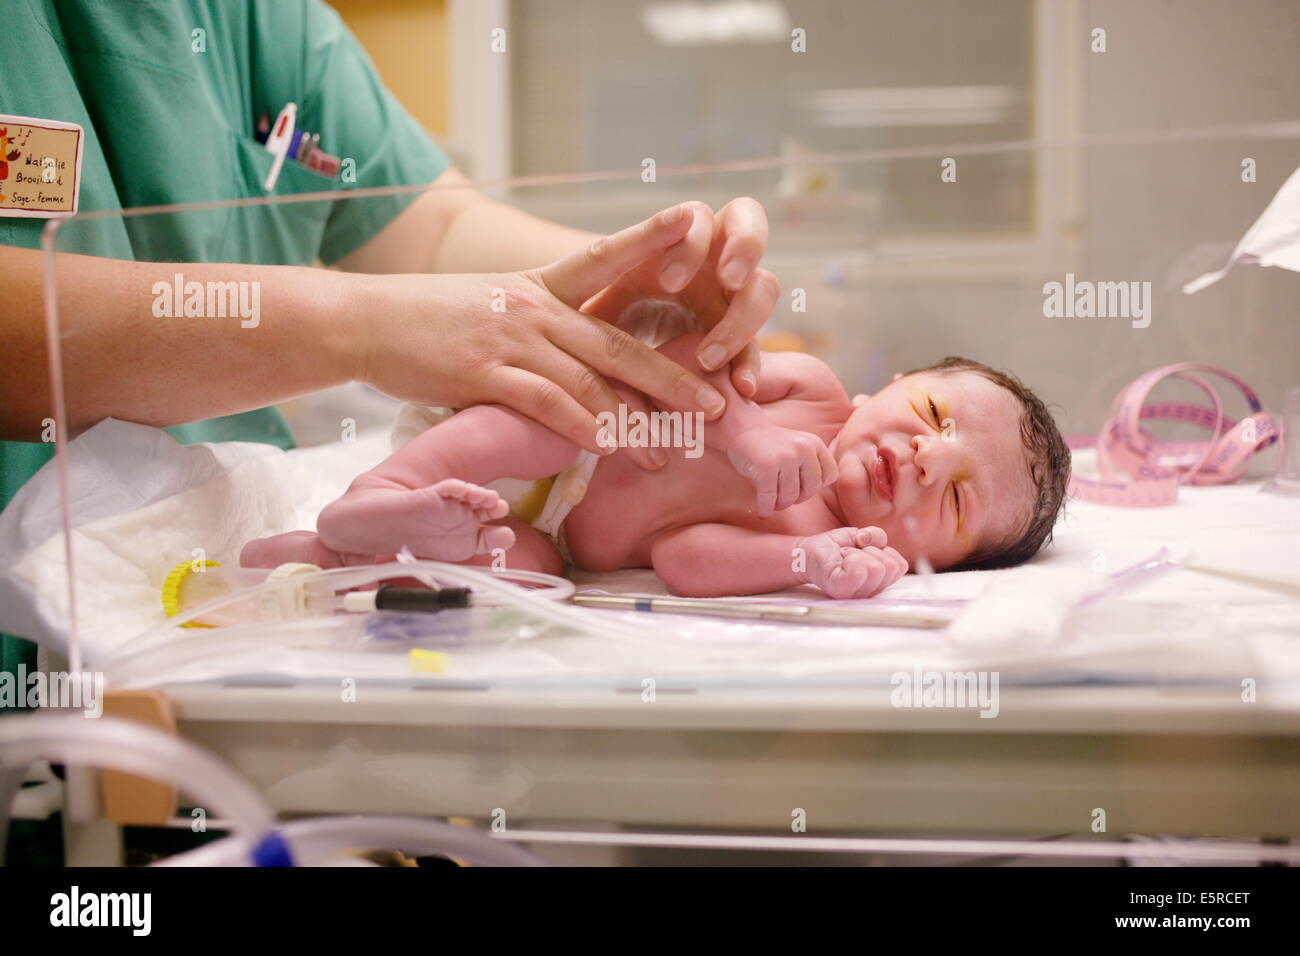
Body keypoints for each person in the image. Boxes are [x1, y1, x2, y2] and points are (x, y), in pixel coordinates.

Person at [0, 1, 775, 700]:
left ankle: (361, 538)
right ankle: (379, 498)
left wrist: (629, 285)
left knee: (513, 557)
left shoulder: (263, 24)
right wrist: (361, 326)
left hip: (238, 571)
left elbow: (431, 231)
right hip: (37, 613)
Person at [242, 329, 1073, 597]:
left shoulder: (811, 538)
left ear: (939, 563)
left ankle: (328, 558)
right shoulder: (813, 394)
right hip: (564, 431)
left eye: (957, 500)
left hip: (551, 532)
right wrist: (743, 432)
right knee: (550, 428)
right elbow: (678, 356)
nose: (928, 460)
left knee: (517, 572)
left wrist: (803, 561)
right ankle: (373, 493)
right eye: (933, 416)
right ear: (890, 386)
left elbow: (680, 559)